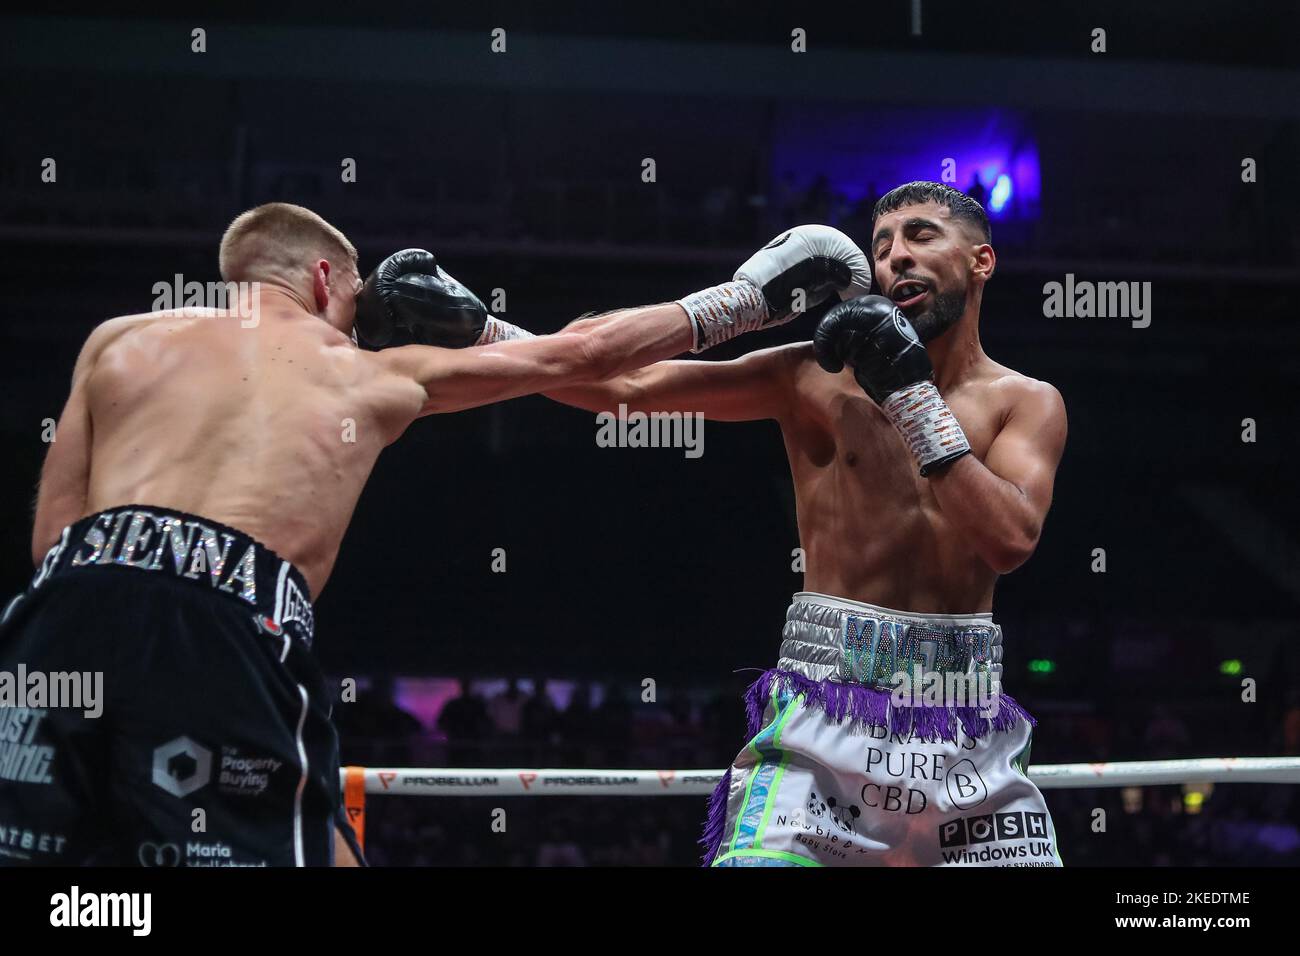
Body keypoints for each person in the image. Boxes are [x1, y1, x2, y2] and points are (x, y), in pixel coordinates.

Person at [0, 202, 866, 867]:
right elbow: (584, 360)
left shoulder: (116, 342)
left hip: (55, 618)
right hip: (219, 622)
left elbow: (51, 541)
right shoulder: (364, 371)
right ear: (326, 281)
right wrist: (749, 298)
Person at [543, 181, 1068, 866]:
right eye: (881, 247)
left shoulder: (1027, 402)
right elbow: (590, 375)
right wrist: (738, 304)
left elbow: (1008, 540)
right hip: (826, 714)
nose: (895, 258)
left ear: (981, 262)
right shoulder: (812, 378)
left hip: (963, 719)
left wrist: (912, 400)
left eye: (920, 235)